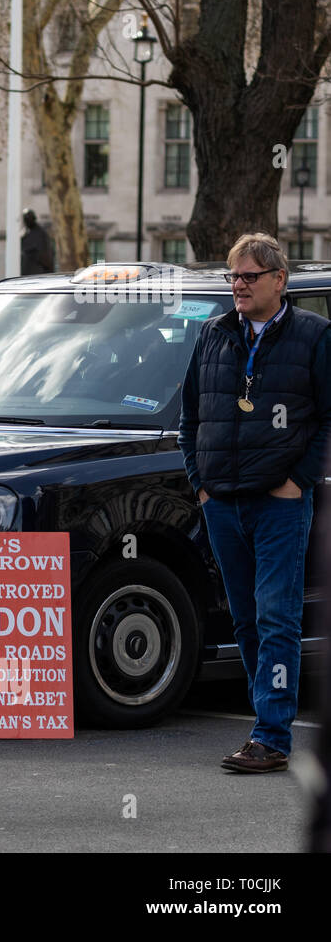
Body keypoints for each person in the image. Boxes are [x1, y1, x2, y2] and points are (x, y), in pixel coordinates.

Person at [179, 232, 331, 773]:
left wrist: (298, 480)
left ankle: (271, 736)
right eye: (233, 276)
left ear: (279, 280)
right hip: (222, 503)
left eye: (248, 277)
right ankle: (262, 724)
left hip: (279, 505)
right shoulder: (213, 335)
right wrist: (201, 482)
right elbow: (189, 418)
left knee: (276, 618)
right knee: (245, 619)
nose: (238, 286)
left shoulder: (314, 335)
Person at [20, 209, 54, 275]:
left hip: (37, 268)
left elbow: (44, 253)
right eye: (25, 219)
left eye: (28, 218)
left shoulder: (40, 233)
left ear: (33, 218)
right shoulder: (24, 232)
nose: (26, 221)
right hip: (26, 267)